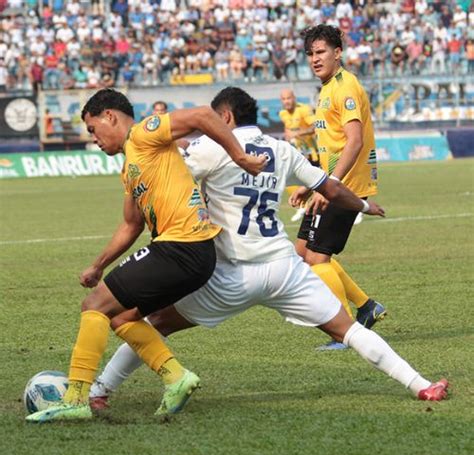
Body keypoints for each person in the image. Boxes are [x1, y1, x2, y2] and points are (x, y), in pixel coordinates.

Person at [89, 87, 448, 410]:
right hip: (282, 268)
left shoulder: (212, 147)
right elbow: (331, 189)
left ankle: (100, 389)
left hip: (229, 273)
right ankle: (421, 385)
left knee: (156, 322)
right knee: (348, 330)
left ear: (224, 117)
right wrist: (365, 206)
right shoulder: (282, 150)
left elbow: (167, 164)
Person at [26, 88, 266, 423]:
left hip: (182, 247)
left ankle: (76, 398)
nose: (93, 138)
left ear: (109, 116)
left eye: (93, 129)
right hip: (189, 254)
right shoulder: (130, 166)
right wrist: (98, 266)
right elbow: (130, 224)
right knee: (122, 317)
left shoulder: (145, 132)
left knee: (94, 306)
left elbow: (202, 115)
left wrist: (239, 157)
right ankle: (176, 377)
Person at [294, 25, 386, 351]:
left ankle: (345, 331)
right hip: (329, 183)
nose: (315, 59)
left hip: (344, 185)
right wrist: (311, 185)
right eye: (310, 54)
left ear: (338, 52)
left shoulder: (345, 87)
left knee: (317, 258)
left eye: (321, 52)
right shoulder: (327, 87)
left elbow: (354, 141)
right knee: (302, 253)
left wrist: (329, 185)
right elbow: (332, 147)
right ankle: (365, 307)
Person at [279, 88, 318, 222]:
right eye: (283, 99)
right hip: (297, 153)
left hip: (311, 152)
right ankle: (302, 206)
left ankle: (353, 207)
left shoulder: (304, 109)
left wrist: (298, 134)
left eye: (288, 98)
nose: (286, 101)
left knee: (318, 184)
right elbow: (287, 130)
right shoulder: (283, 114)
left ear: (294, 98)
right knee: (287, 178)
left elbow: (315, 127)